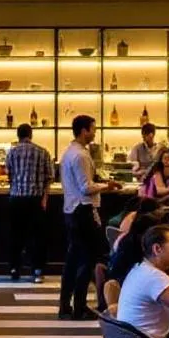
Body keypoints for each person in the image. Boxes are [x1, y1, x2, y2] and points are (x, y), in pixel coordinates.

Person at [59, 115, 120, 320]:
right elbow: (86, 188)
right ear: (84, 131)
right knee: (86, 261)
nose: (95, 133)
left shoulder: (69, 152)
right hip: (83, 211)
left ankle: (65, 306)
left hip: (70, 210)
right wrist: (107, 186)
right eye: (93, 129)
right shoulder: (81, 156)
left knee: (72, 261)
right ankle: (79, 307)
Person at [5, 123, 54, 284]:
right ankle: (37, 271)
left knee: (16, 235)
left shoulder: (11, 152)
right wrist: (45, 198)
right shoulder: (43, 152)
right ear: (31, 135)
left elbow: (9, 175)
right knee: (37, 237)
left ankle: (14, 268)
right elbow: (49, 178)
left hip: (16, 198)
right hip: (35, 200)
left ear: (18, 135)